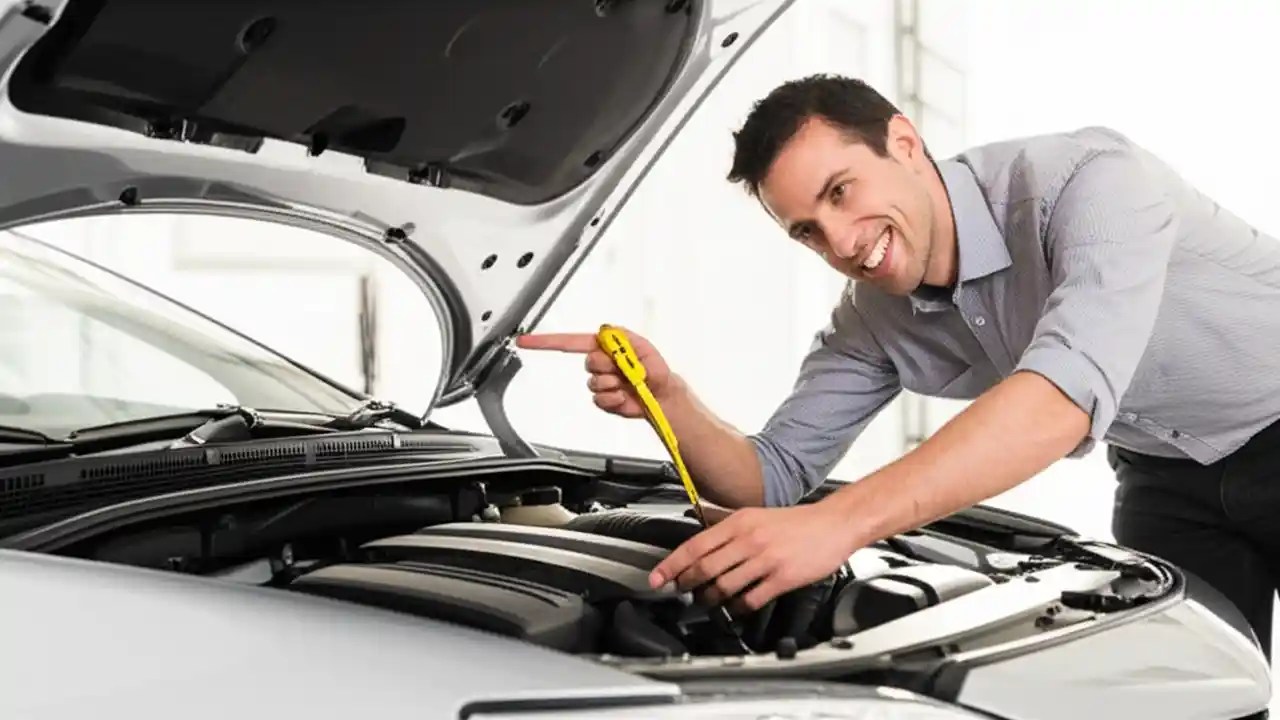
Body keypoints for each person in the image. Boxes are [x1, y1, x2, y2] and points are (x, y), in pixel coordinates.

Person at [516, 74, 1280, 659]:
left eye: (842, 192)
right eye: (809, 231)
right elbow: (774, 476)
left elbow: (1060, 399)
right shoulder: (872, 315)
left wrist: (839, 526)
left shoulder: (1092, 184)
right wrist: (670, 399)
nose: (844, 243)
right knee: (1187, 685)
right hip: (1164, 475)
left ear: (905, 144)